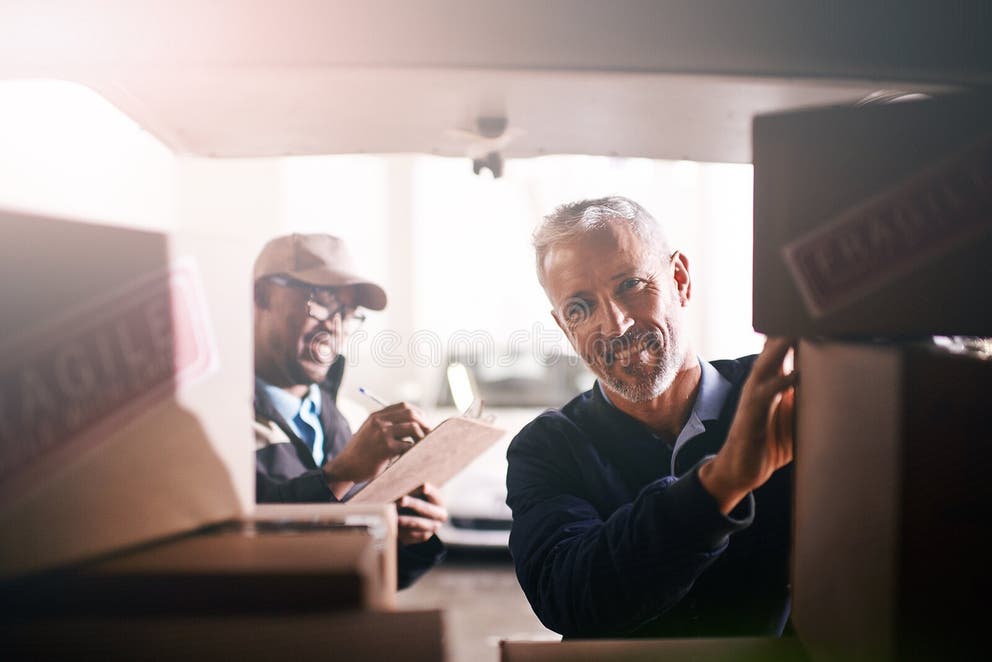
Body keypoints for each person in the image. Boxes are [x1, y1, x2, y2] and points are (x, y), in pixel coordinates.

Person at [506, 197, 796, 638]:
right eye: (580, 309)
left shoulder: (779, 395)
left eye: (630, 285)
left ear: (679, 279)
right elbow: (569, 596)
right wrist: (720, 483)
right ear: (566, 328)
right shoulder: (547, 447)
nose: (616, 325)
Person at [253, 233, 446, 588]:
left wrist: (402, 538)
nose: (337, 326)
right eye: (322, 303)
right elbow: (240, 551)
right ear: (264, 295)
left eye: (349, 313)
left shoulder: (351, 420)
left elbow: (371, 576)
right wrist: (338, 475)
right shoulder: (213, 421)